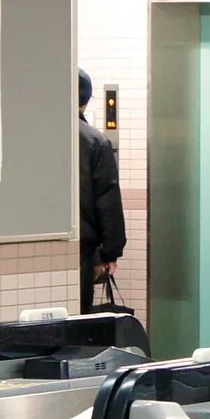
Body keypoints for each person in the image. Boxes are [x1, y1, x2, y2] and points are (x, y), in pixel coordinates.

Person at [78, 68, 125, 313]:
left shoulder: (36, 136)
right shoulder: (94, 142)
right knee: (78, 319)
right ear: (85, 101)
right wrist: (110, 252)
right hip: (83, 252)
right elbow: (107, 198)